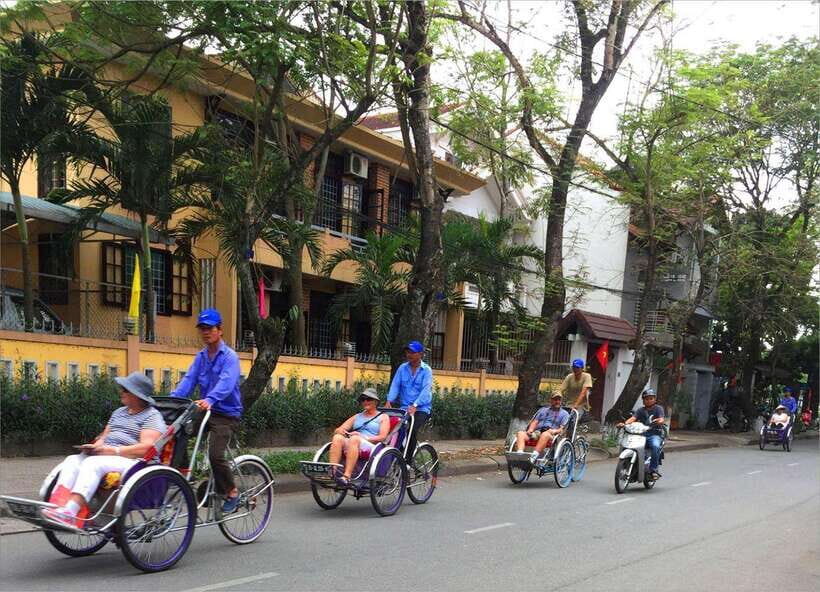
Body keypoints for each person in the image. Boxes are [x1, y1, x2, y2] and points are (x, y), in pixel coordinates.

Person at [41, 372, 166, 528]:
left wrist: (114, 451)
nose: (121, 392)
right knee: (72, 460)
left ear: (137, 394)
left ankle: (70, 512)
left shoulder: (152, 416)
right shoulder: (118, 412)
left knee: (93, 463)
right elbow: (104, 436)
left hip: (134, 461)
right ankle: (58, 506)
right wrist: (97, 446)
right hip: (107, 455)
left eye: (125, 389)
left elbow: (147, 448)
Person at [171, 308, 243, 513]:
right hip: (205, 408)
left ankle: (231, 492)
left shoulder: (230, 357)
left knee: (215, 455)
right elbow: (189, 380)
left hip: (225, 413)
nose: (205, 332)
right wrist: (174, 400)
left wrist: (211, 398)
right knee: (177, 432)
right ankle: (184, 474)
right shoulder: (201, 357)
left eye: (209, 328)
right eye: (202, 328)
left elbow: (227, 382)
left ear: (220, 330)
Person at [328, 388, 390, 486]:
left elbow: (383, 437)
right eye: (363, 399)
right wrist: (343, 432)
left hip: (371, 445)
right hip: (354, 441)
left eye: (368, 399)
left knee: (355, 439)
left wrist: (363, 437)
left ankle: (346, 476)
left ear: (376, 402)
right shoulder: (357, 416)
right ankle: (332, 472)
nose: (365, 401)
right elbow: (338, 430)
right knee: (337, 438)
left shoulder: (383, 417)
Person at [385, 340, 432, 463]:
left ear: (420, 354)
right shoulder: (402, 368)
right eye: (407, 352)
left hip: (421, 409)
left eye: (412, 352)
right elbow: (395, 385)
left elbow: (426, 390)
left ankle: (407, 461)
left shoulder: (426, 370)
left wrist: (416, 404)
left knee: (411, 429)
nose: (409, 354)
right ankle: (395, 455)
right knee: (394, 428)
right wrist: (389, 400)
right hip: (404, 408)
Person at [513, 392, 570, 464]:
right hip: (538, 432)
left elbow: (562, 429)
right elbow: (535, 422)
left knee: (545, 434)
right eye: (555, 399)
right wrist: (530, 429)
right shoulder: (543, 410)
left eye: (559, 400)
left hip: (552, 435)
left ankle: (534, 457)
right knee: (520, 433)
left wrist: (553, 431)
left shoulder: (564, 414)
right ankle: (520, 454)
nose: (557, 402)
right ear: (551, 400)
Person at [621, 388, 665, 480]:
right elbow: (633, 418)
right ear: (643, 400)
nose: (649, 400)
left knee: (655, 446)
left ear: (654, 399)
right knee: (626, 445)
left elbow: (661, 419)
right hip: (641, 436)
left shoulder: (658, 409)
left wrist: (659, 421)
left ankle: (653, 470)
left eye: (651, 398)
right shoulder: (640, 410)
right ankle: (626, 466)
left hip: (654, 435)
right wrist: (624, 424)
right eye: (646, 399)